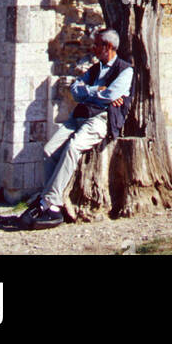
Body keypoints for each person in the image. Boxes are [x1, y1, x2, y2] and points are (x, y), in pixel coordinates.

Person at [25, 28, 133, 229]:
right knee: (48, 150)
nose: (93, 48)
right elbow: (75, 90)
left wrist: (93, 93)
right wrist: (97, 91)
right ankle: (49, 201)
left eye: (97, 45)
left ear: (108, 46)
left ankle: (50, 204)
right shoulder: (94, 69)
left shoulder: (125, 70)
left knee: (73, 147)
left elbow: (110, 96)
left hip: (101, 120)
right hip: (80, 116)